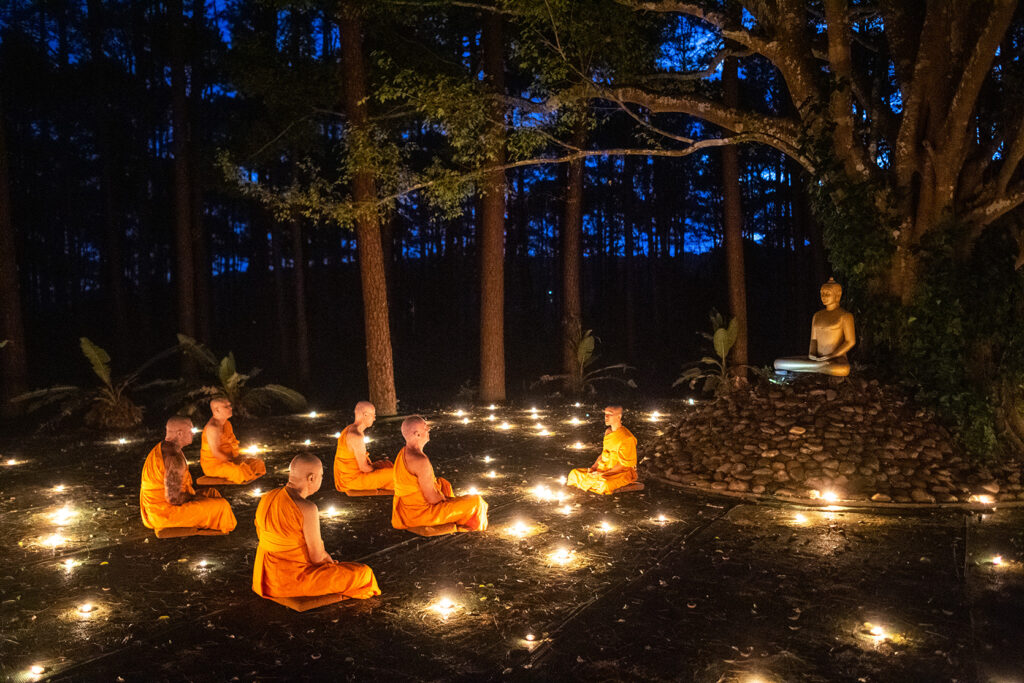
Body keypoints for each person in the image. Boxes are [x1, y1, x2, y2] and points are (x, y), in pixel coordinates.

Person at [253, 454, 381, 600]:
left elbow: (261, 533)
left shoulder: (268, 496)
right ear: (311, 478)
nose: (321, 479)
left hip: (264, 578)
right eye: (321, 475)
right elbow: (317, 557)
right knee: (363, 573)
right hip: (291, 581)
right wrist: (331, 564)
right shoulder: (306, 508)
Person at [140, 416, 237, 534]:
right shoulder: (173, 457)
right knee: (222, 506)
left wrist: (197, 497)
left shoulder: (164, 447)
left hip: (161, 506)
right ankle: (212, 526)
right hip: (164, 513)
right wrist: (196, 498)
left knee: (212, 493)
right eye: (191, 430)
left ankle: (207, 520)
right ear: (180, 434)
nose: (193, 433)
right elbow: (174, 498)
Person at [392, 416, 488, 532]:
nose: (428, 429)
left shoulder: (403, 452)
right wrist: (445, 500)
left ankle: (452, 512)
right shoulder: (420, 460)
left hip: (406, 510)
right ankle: (462, 522)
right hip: (421, 514)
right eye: (425, 427)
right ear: (417, 434)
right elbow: (432, 499)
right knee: (476, 502)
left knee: (443, 483)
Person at [773, 278, 856, 377]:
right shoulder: (817, 315)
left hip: (836, 359)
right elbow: (813, 339)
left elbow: (850, 341)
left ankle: (810, 368)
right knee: (778, 363)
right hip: (816, 359)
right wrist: (812, 354)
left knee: (843, 369)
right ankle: (818, 367)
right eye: (822, 294)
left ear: (837, 295)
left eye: (827, 294)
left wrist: (831, 356)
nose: (823, 297)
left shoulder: (845, 316)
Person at [565, 406, 638, 494]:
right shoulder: (608, 432)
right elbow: (604, 454)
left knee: (604, 484)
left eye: (610, 414)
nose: (606, 417)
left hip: (619, 473)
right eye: (605, 414)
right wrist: (593, 468)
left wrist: (604, 473)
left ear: (619, 417)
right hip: (603, 468)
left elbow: (624, 465)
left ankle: (595, 483)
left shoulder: (627, 438)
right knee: (574, 473)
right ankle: (594, 480)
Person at [200, 397, 266, 483]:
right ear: (217, 410)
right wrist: (233, 460)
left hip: (230, 460)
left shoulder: (227, 423)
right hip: (215, 465)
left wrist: (238, 457)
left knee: (258, 463)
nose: (230, 408)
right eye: (226, 407)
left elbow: (231, 444)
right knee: (240, 471)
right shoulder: (213, 428)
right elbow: (216, 453)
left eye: (229, 405)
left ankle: (246, 472)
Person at [333, 401, 394, 492]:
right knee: (395, 474)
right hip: (353, 480)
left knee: (387, 464)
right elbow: (364, 468)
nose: (374, 418)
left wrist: (380, 467)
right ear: (365, 415)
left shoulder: (349, 428)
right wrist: (377, 470)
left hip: (353, 474)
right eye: (373, 415)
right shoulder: (356, 435)